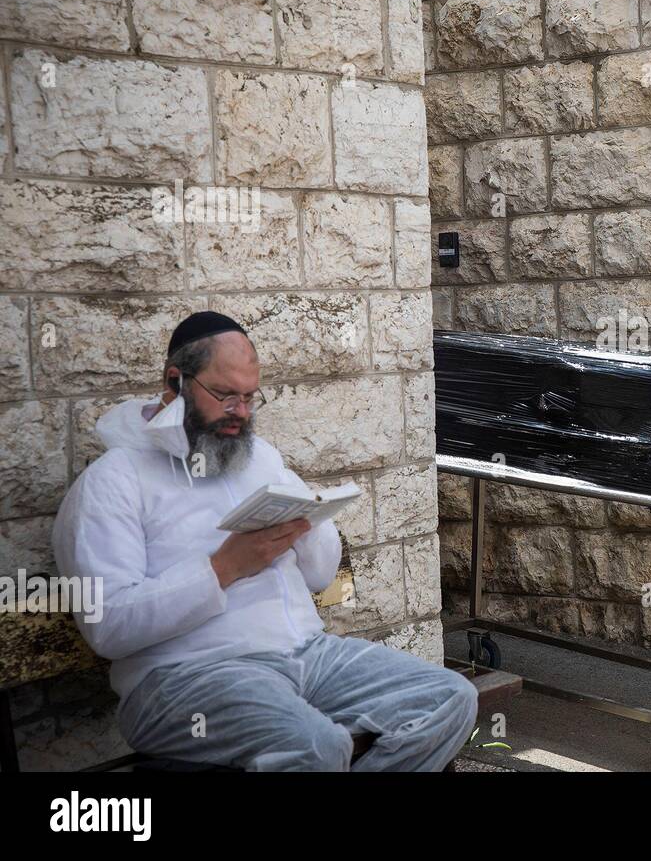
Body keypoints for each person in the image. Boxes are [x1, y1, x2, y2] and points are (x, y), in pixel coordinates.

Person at [52, 311, 477, 771]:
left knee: (449, 698)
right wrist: (224, 568)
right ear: (175, 381)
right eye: (225, 395)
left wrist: (306, 526)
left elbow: (319, 576)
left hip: (306, 657)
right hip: (185, 680)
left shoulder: (259, 458)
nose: (241, 413)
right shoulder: (113, 481)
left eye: (251, 397)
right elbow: (108, 627)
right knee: (317, 745)